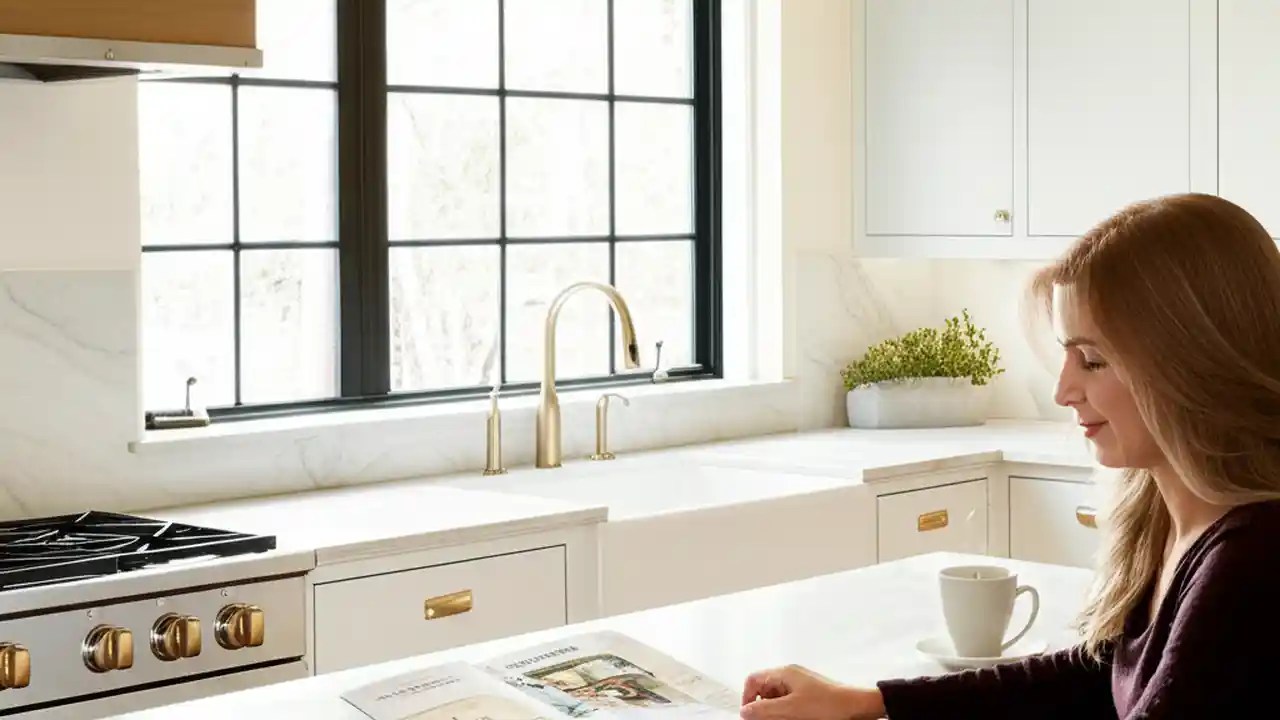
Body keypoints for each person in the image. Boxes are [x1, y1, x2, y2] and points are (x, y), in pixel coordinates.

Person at [738, 193, 1280, 720]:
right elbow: (1099, 675)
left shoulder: (1251, 561)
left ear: (1195, 365)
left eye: (1092, 360)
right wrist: (868, 703)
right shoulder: (1168, 517)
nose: (1063, 391)